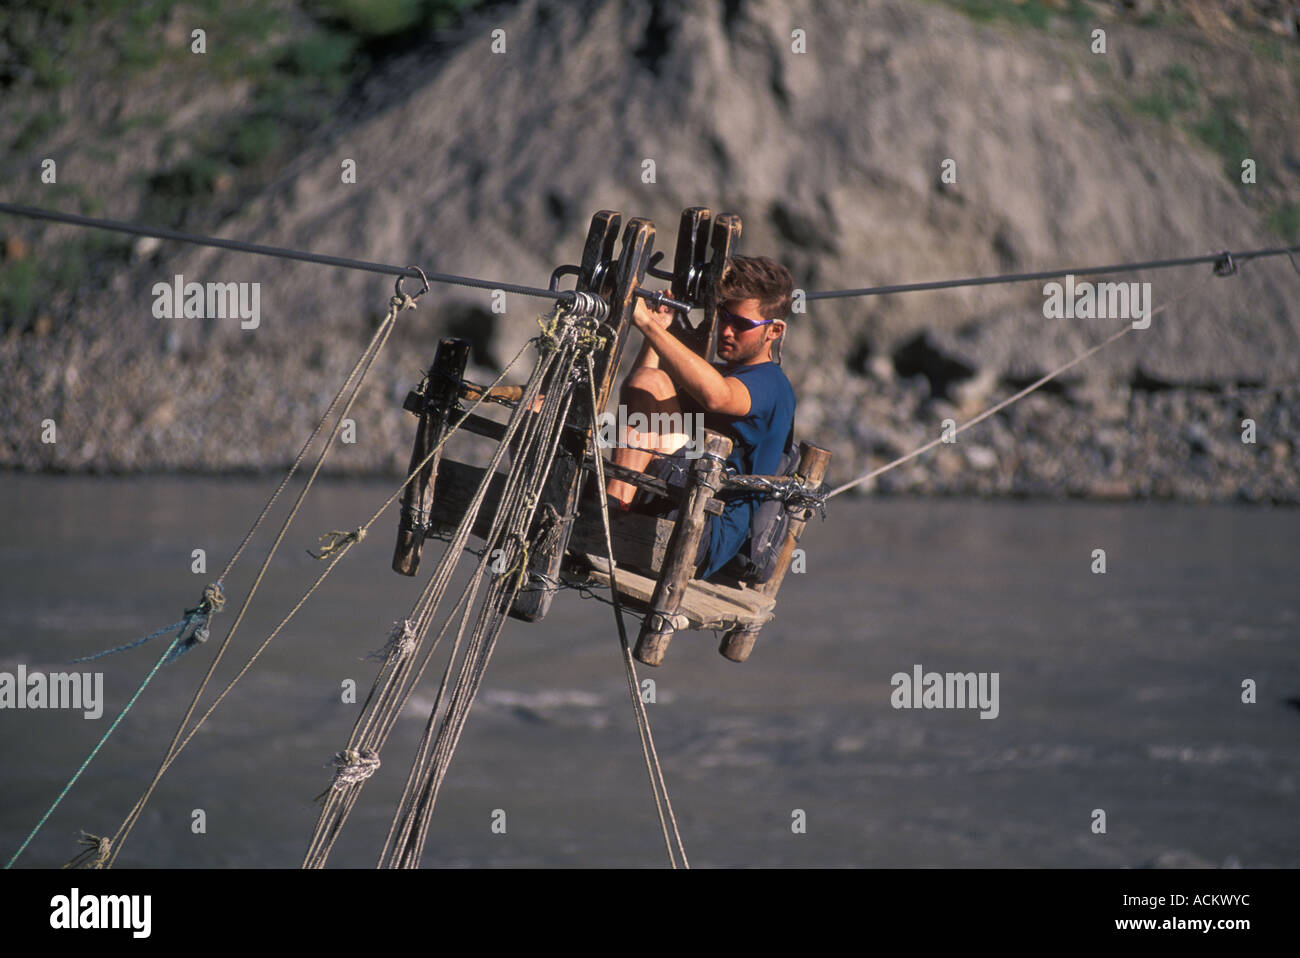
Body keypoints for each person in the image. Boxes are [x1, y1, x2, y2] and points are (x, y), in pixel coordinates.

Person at [606, 255, 797, 581]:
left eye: (741, 324)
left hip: (709, 530)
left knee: (654, 384)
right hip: (675, 499)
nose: (726, 330)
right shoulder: (719, 373)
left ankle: (609, 512)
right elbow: (640, 398)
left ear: (774, 331)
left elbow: (717, 396)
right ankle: (613, 504)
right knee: (540, 405)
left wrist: (646, 323)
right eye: (724, 316)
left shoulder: (772, 385)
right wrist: (658, 332)